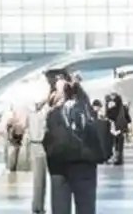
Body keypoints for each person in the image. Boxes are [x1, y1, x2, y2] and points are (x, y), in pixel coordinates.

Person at [43, 74, 104, 214]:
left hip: (59, 166)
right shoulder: (88, 112)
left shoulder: (53, 115)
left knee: (60, 207)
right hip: (84, 163)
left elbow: (45, 140)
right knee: (86, 206)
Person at [27, 95, 51, 214]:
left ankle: (38, 205)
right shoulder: (44, 111)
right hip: (40, 144)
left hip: (36, 144)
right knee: (40, 179)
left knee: (39, 178)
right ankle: (38, 206)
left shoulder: (32, 111)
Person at [104, 94, 129, 165]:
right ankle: (119, 158)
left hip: (112, 129)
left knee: (111, 144)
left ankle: (111, 157)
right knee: (119, 146)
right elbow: (128, 119)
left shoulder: (111, 108)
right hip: (120, 129)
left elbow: (107, 117)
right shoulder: (123, 108)